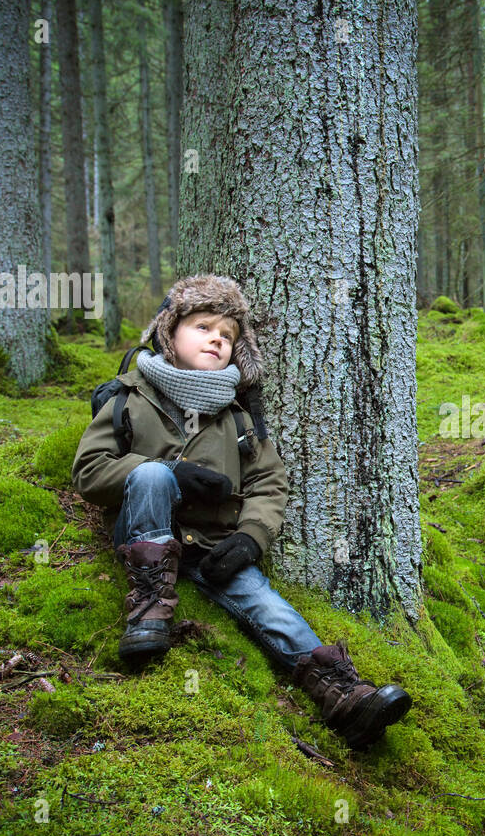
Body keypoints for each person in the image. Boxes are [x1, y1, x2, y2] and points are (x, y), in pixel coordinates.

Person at [70, 274, 412, 750]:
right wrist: (168, 470)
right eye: (203, 326)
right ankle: (148, 608)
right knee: (150, 477)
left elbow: (269, 484)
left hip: (211, 548)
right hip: (145, 533)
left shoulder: (237, 417)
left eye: (227, 335)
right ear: (169, 332)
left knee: (271, 606)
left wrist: (250, 538)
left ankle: (344, 696)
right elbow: (89, 470)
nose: (216, 338)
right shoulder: (128, 397)